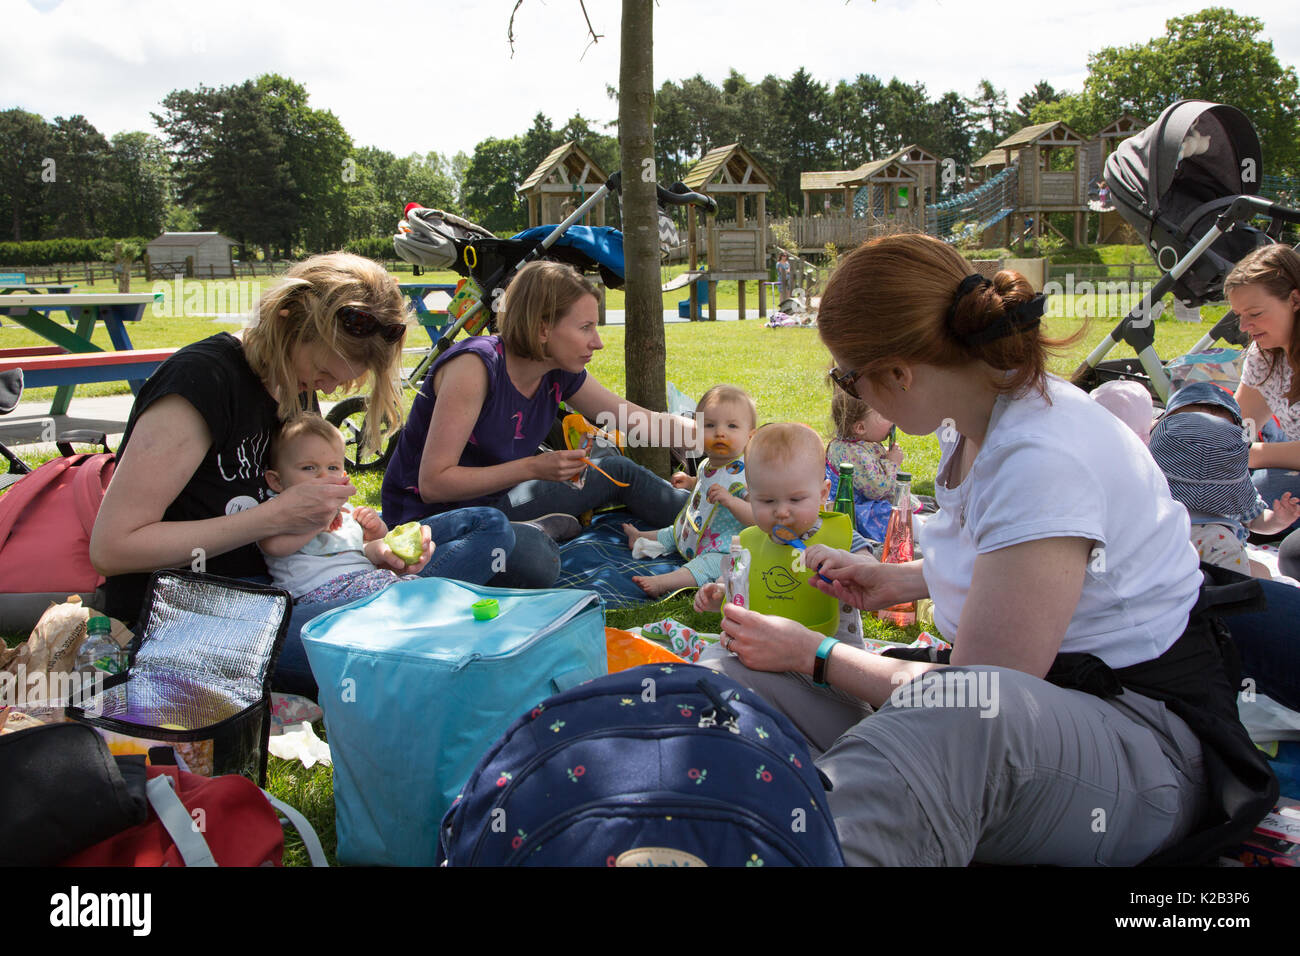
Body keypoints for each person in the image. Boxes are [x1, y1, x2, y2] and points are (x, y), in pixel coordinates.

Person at [697, 233, 1278, 866]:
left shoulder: (1040, 456)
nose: (848, 391)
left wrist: (820, 654)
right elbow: (1020, 567)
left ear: (898, 373)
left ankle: (803, 845)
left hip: (1144, 745)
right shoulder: (973, 422)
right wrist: (899, 580)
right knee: (746, 674)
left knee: (947, 727)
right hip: (1035, 719)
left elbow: (975, 696)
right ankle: (728, 817)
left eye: (847, 375)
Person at [90, 253, 515, 697]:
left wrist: (370, 545)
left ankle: (398, 614)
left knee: (490, 529)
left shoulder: (295, 385)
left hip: (301, 583)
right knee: (366, 655)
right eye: (325, 372)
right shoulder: (202, 382)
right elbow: (112, 548)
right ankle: (408, 617)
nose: (330, 389)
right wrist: (275, 518)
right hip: (200, 611)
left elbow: (311, 525)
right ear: (286, 321)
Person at [381, 260, 696, 581]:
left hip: (497, 504)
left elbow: (635, 419)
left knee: (618, 470)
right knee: (539, 560)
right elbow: (434, 484)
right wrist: (532, 468)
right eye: (585, 327)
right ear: (543, 328)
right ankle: (530, 532)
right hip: (430, 526)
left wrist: (712, 435)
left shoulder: (558, 370)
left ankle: (711, 520)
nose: (597, 341)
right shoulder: (474, 367)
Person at [694, 422, 866, 649]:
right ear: (751, 497)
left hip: (830, 660)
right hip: (764, 652)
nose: (782, 511)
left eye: (795, 500)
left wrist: (843, 560)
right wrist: (718, 594)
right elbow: (738, 587)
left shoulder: (839, 536)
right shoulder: (748, 543)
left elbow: (870, 570)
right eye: (767, 501)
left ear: (823, 494)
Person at [259, 415, 435, 603]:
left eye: (333, 467)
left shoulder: (344, 509)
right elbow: (272, 546)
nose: (324, 475)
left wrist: (376, 533)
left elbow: (361, 551)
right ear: (276, 481)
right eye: (309, 467)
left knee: (423, 589)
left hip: (363, 580)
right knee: (395, 596)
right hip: (318, 592)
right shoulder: (279, 508)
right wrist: (318, 524)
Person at [1147, 383, 1300, 579]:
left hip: (1165, 551)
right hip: (1223, 554)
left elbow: (1258, 519)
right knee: (1261, 576)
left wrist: (1278, 520)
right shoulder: (1236, 485)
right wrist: (1277, 520)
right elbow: (1257, 521)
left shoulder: (1152, 475)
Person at [623, 384, 756, 597]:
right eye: (710, 425)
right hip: (698, 531)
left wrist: (732, 501)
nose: (720, 432)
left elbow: (758, 516)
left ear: (750, 436)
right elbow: (705, 481)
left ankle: (664, 582)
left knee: (704, 566)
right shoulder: (708, 464)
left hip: (725, 547)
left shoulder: (747, 474)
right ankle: (641, 537)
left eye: (732, 426)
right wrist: (690, 481)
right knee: (674, 531)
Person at [1228, 245, 1300, 527]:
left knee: (1263, 494)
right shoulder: (1264, 356)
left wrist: (1251, 455)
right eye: (1239, 315)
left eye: (1254, 313)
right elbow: (1240, 422)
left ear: (1295, 299)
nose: (1245, 326)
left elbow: (1245, 449)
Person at [826, 384, 904, 502]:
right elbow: (878, 488)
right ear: (861, 428)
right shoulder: (852, 453)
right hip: (861, 513)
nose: (892, 418)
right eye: (884, 414)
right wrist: (892, 463)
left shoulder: (858, 445)